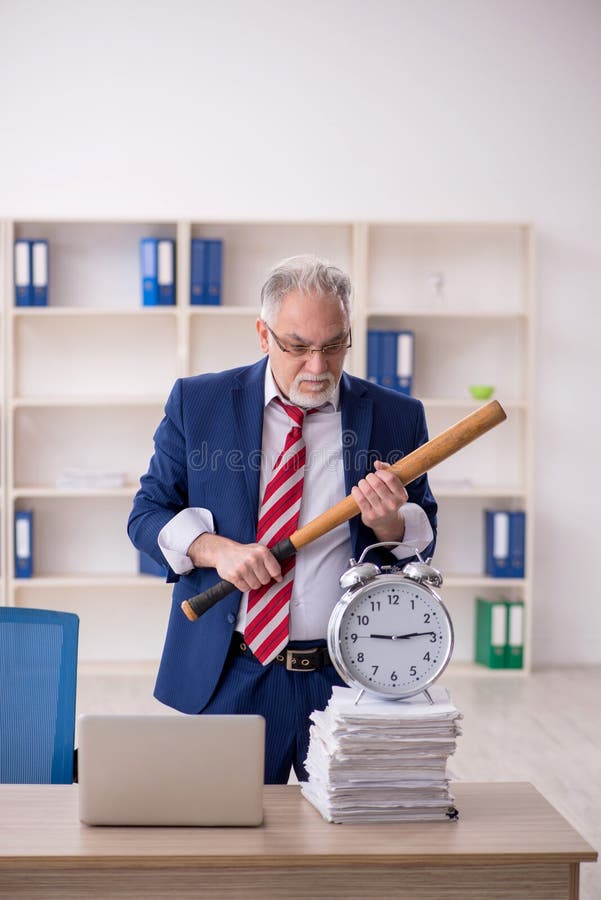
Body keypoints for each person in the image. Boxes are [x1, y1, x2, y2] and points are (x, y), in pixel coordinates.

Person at [128, 255, 437, 783]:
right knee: (227, 851)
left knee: (351, 851)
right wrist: (214, 549)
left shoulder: (395, 414)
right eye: (297, 347)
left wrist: (389, 523)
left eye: (333, 345)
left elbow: (419, 534)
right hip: (231, 673)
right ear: (262, 334)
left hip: (349, 674)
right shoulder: (197, 403)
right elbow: (147, 514)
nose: (317, 367)